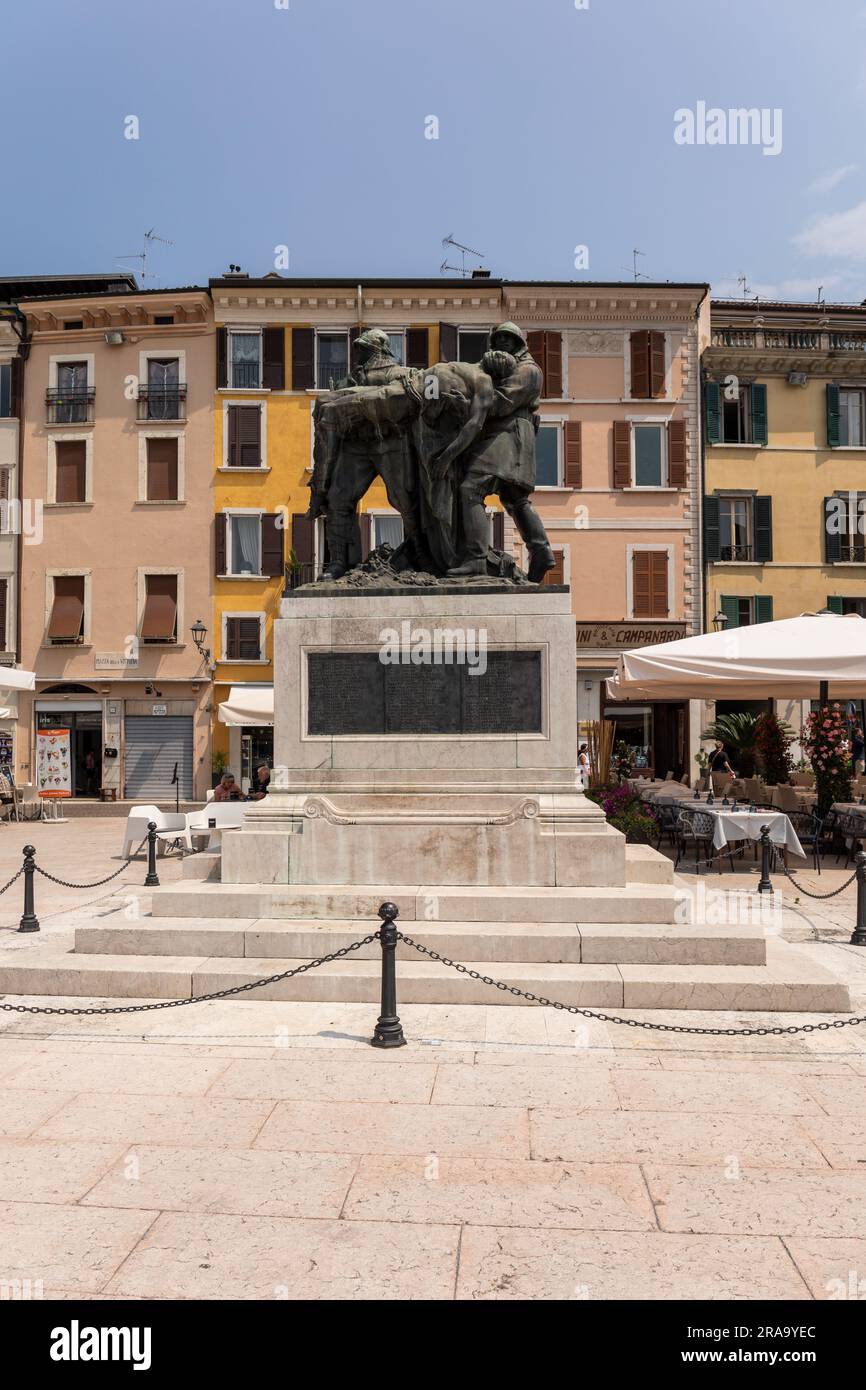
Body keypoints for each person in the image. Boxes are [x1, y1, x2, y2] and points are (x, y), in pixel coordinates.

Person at [446, 323, 555, 582]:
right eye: (499, 338)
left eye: (510, 337)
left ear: (519, 342)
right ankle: (541, 552)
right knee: (515, 500)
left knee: (470, 489)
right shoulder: (506, 367)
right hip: (512, 437)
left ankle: (475, 559)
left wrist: (464, 404)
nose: (504, 341)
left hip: (508, 435)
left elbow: (500, 403)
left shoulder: (528, 370)